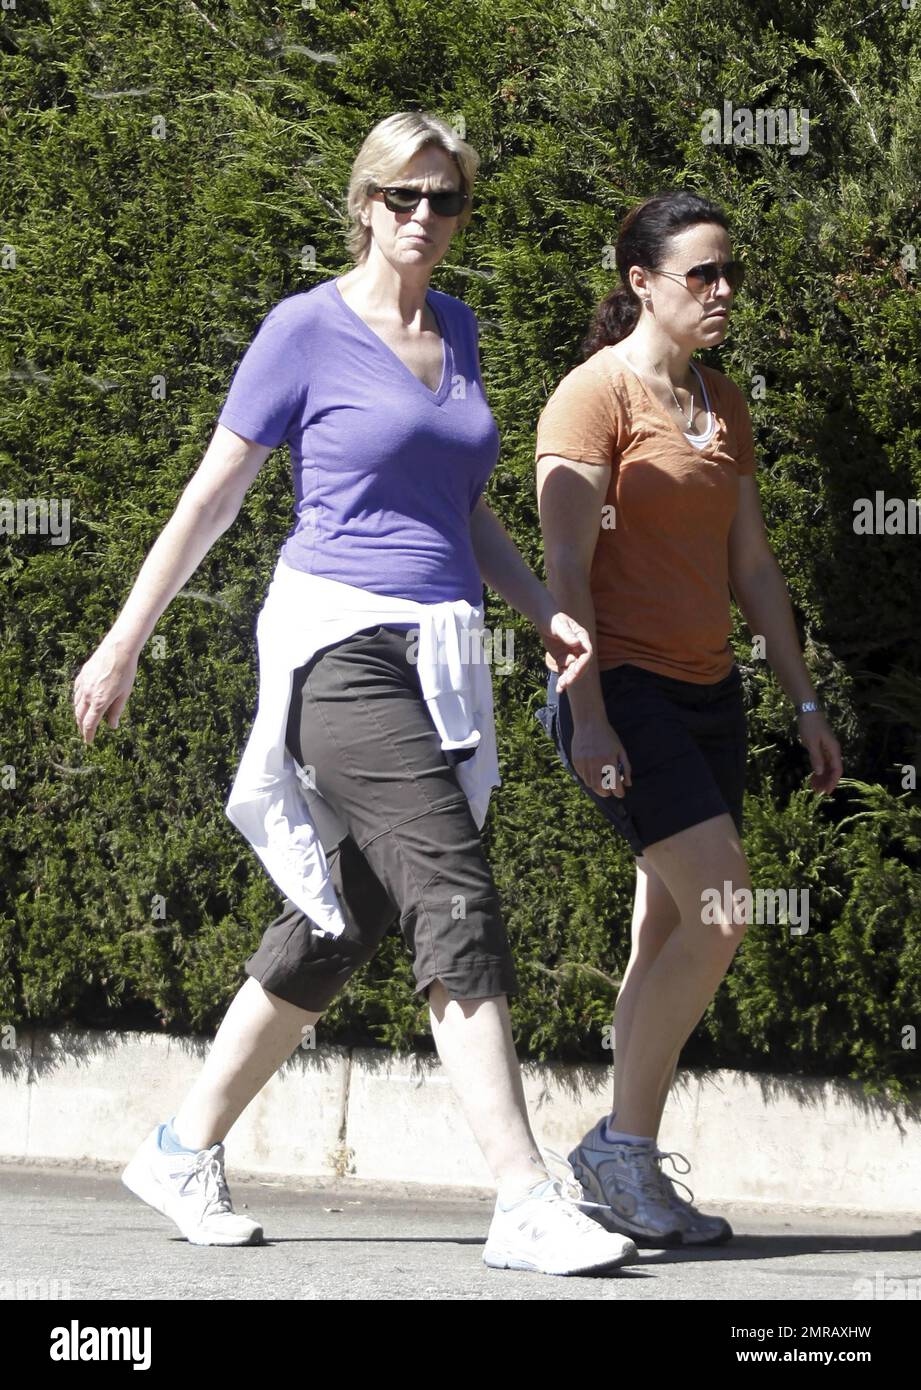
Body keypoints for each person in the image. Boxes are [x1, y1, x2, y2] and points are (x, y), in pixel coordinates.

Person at [72, 111, 636, 1278]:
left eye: (448, 200)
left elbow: (461, 502)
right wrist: (126, 639)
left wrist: (541, 607)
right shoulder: (304, 331)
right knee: (454, 891)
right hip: (338, 645)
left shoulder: (462, 329)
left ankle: (181, 1145)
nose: (426, 217)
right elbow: (212, 497)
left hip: (443, 654)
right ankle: (525, 1196)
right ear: (365, 201)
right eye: (405, 196)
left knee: (345, 917)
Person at [533, 189, 844, 1248]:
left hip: (710, 694)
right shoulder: (592, 398)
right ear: (641, 284)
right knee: (723, 908)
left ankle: (628, 1165)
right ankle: (617, 1150)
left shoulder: (724, 403)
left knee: (667, 931)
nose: (721, 292)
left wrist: (802, 699)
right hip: (618, 689)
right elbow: (564, 564)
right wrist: (587, 716)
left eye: (730, 274)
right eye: (700, 275)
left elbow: (750, 565)